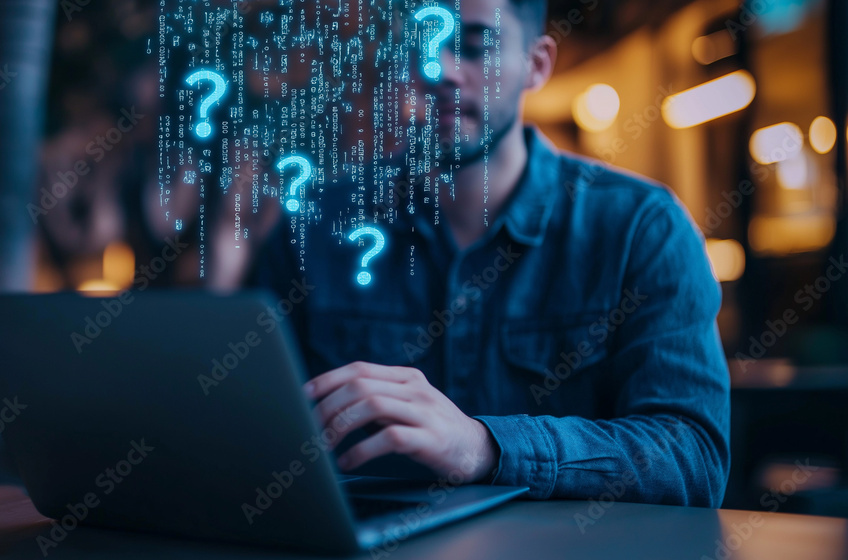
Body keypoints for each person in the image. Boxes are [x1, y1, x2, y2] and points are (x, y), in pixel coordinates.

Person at [246, 0, 729, 507]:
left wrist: (483, 446)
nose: (443, 70)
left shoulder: (641, 229)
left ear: (537, 65)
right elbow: (252, 426)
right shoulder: (316, 226)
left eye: (476, 46)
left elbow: (692, 460)